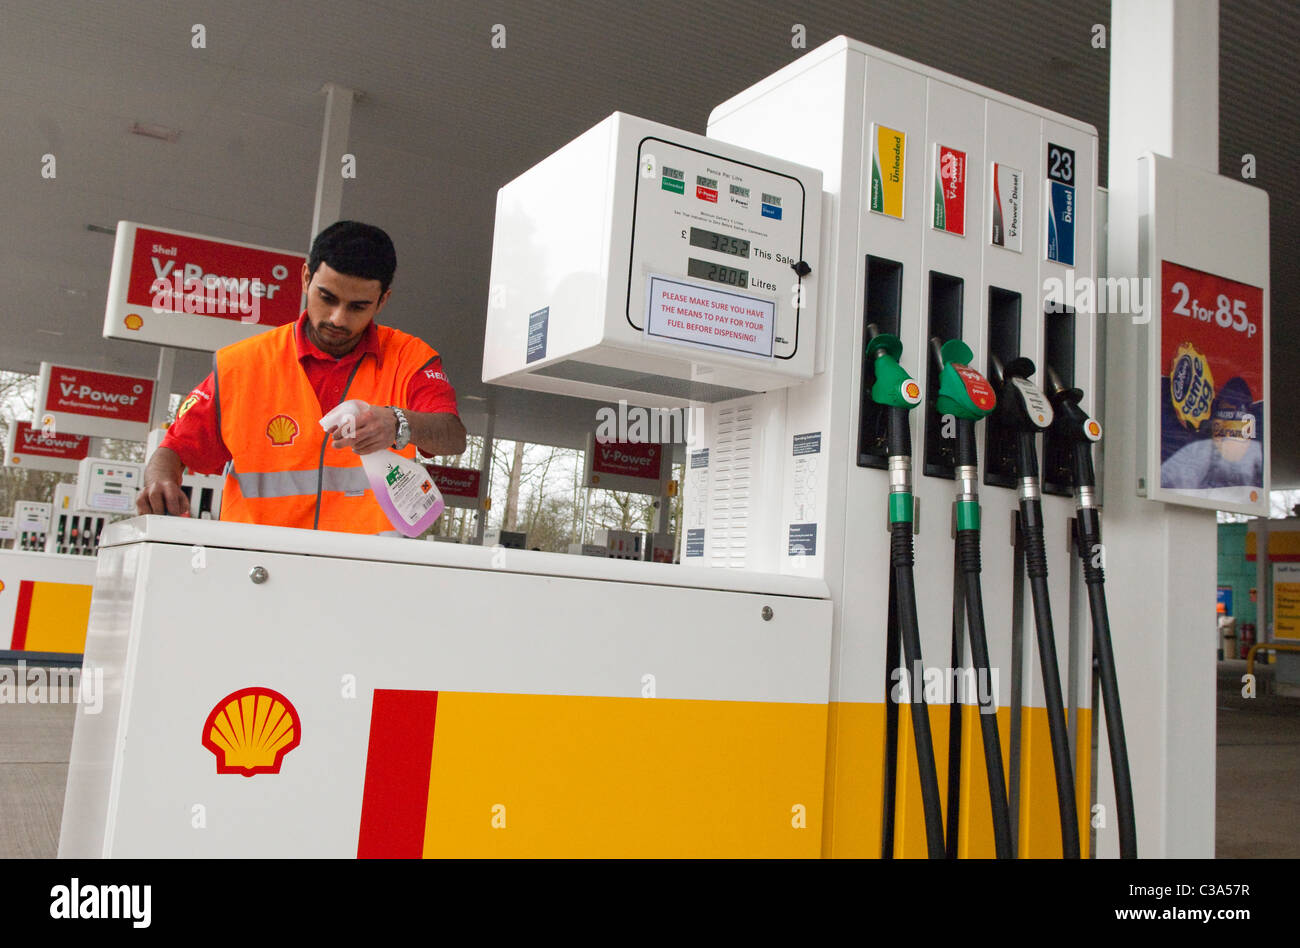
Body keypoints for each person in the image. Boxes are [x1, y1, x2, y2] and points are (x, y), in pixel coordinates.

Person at [136, 221, 467, 534]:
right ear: (306, 278)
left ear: (383, 301)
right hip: (257, 569)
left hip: (364, 573)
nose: (338, 319)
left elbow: (452, 435)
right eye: (327, 298)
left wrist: (399, 423)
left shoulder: (410, 359)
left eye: (358, 307)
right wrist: (159, 482)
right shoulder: (241, 365)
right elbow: (174, 450)